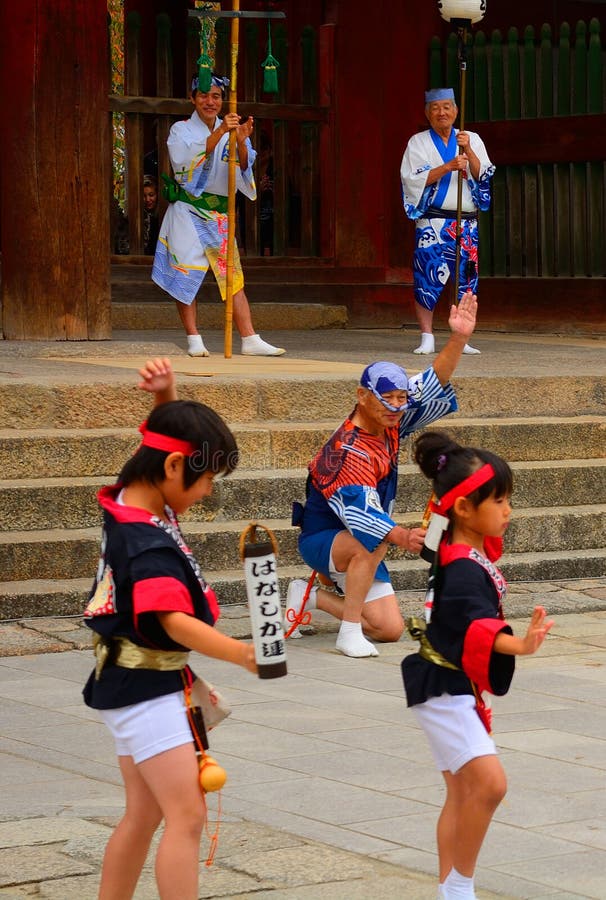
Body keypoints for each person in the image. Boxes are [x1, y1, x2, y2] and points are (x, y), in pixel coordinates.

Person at [82, 357, 257, 900]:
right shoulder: (146, 542)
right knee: (187, 815)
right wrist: (239, 653)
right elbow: (172, 621)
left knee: (145, 813)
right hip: (145, 688)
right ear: (178, 468)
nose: (206, 492)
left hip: (130, 681)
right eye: (207, 480)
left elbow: (165, 447)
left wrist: (167, 397)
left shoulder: (135, 500)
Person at [402, 430, 553, 900]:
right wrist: (521, 645)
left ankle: (452, 890)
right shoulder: (464, 566)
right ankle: (459, 887)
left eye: (508, 500)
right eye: (499, 500)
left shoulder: (457, 549)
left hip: (444, 684)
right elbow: (475, 625)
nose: (508, 510)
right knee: (489, 785)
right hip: (444, 688)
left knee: (463, 792)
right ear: (464, 508)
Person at [286, 291, 478, 659]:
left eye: (402, 398)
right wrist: (405, 536)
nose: (397, 406)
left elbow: (432, 382)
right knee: (372, 540)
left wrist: (458, 338)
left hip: (360, 539)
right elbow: (365, 518)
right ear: (363, 396)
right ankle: (348, 631)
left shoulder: (390, 418)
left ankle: (311, 597)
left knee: (388, 629)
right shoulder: (347, 451)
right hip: (323, 539)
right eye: (388, 398)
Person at [152, 73, 284, 358]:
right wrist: (221, 131)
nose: (210, 102)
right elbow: (185, 164)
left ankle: (249, 338)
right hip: (188, 211)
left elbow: (245, 168)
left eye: (216, 96)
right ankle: (193, 337)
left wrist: (241, 142)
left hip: (220, 213)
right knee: (186, 274)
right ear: (192, 99)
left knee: (232, 276)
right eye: (203, 95)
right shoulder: (181, 130)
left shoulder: (232, 128)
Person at [400, 87, 494, 356]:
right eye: (435, 108)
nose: (441, 112)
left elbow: (484, 175)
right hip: (432, 222)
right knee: (426, 277)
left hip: (466, 223)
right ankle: (427, 336)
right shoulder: (418, 143)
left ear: (456, 110)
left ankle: (461, 336)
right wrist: (448, 166)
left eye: (446, 107)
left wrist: (469, 150)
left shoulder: (471, 138)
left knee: (466, 279)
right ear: (427, 113)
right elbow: (412, 180)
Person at [143, 175, 160, 255]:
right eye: (144, 196)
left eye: (151, 195)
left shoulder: (162, 217)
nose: (147, 199)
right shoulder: (139, 219)